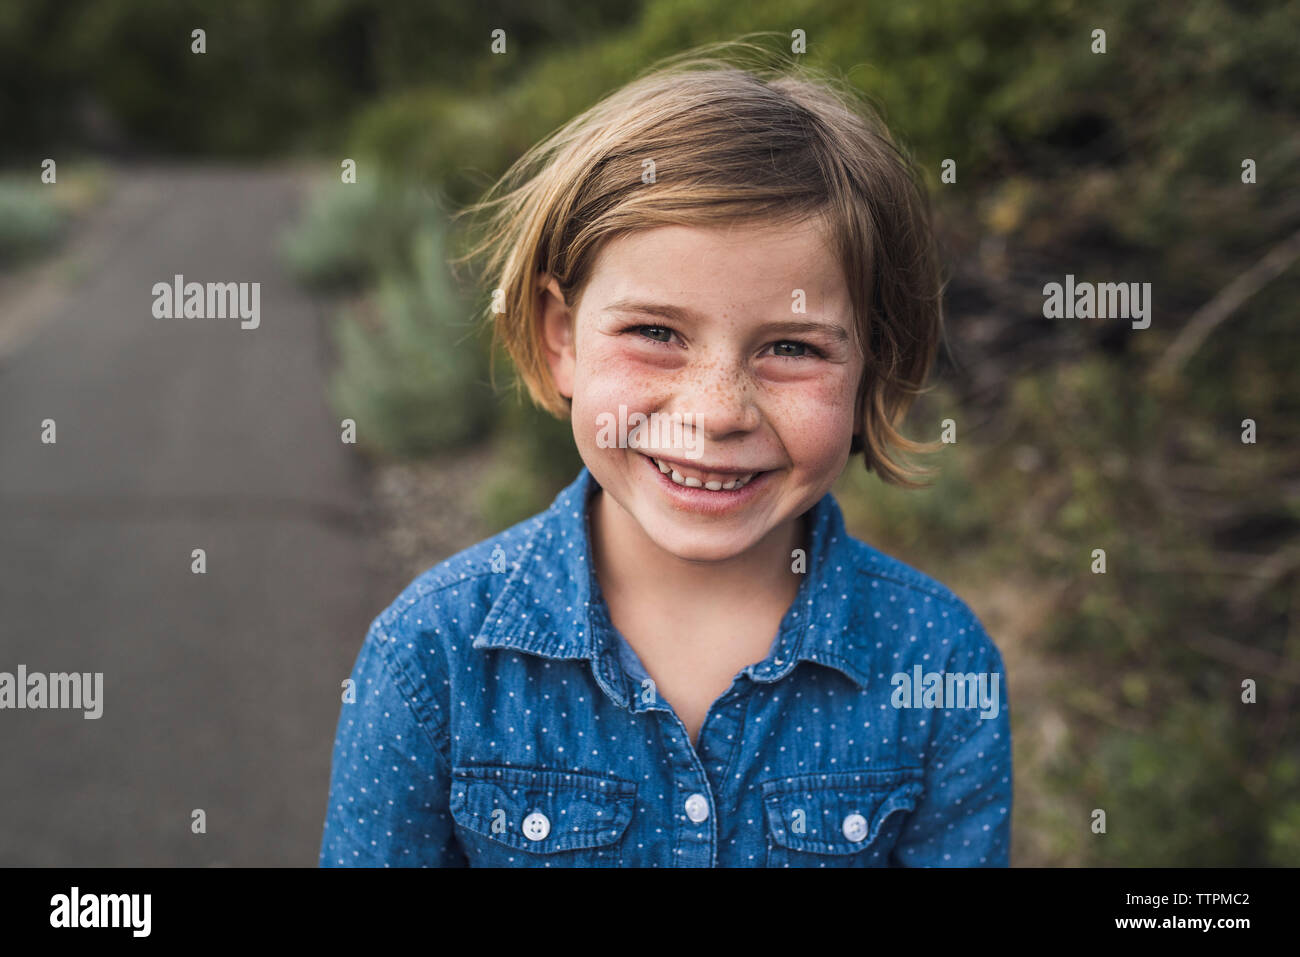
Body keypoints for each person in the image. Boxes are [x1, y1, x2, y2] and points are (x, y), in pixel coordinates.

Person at [320, 41, 1012, 867]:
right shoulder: (429, 656)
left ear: (873, 367)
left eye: (792, 347)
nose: (716, 413)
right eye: (655, 333)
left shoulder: (937, 663)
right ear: (560, 336)